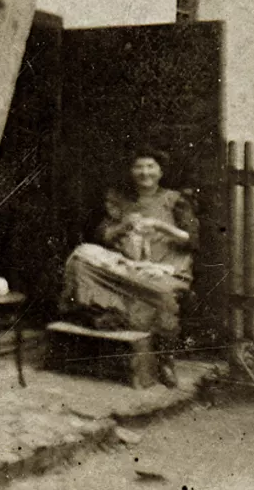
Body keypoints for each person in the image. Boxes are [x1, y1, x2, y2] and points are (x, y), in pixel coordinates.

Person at [59, 149, 199, 387]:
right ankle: (102, 316)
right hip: (129, 270)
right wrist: (124, 225)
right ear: (131, 172)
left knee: (163, 295)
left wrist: (160, 226)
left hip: (163, 269)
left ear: (161, 171)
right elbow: (104, 236)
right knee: (81, 261)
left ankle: (165, 358)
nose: (144, 172)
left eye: (150, 167)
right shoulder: (121, 201)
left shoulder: (176, 200)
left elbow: (192, 239)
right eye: (139, 167)